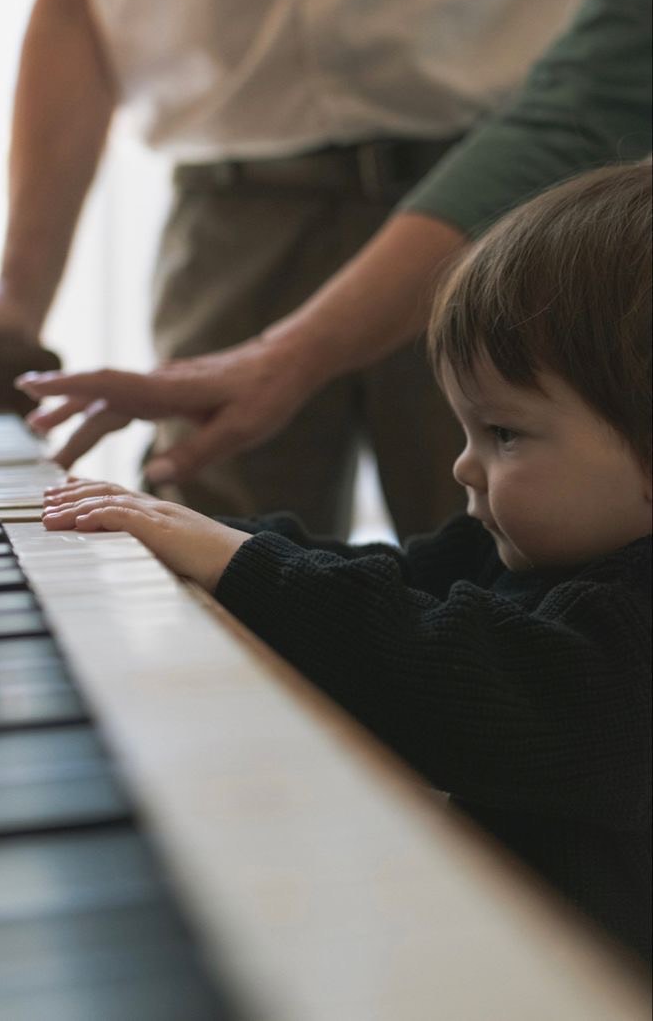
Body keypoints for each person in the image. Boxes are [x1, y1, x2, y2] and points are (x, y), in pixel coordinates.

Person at [40, 161, 652, 960]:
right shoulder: (518, 551)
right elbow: (385, 581)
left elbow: (449, 674)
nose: (464, 466)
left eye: (504, 434)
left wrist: (240, 562)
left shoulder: (626, 647)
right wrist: (195, 533)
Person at [0, 0, 579, 537]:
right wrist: (19, 292)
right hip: (232, 218)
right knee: (217, 549)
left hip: (493, 197)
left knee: (518, 543)